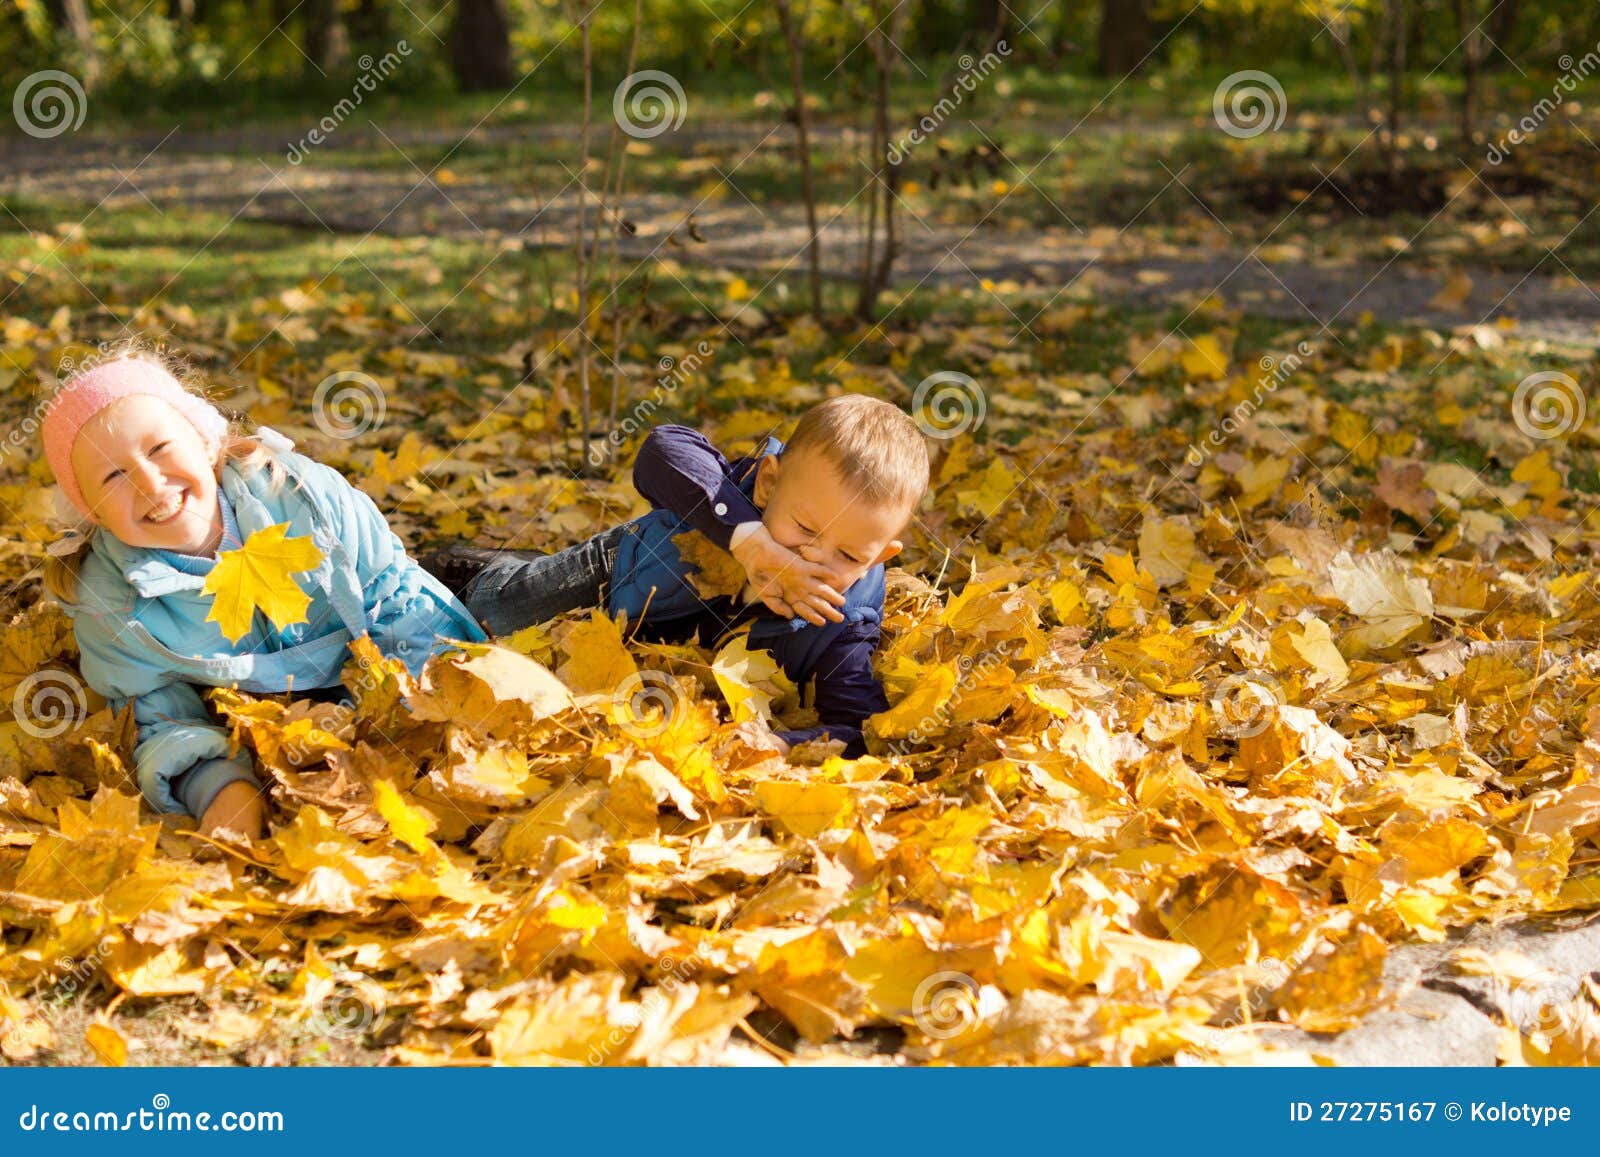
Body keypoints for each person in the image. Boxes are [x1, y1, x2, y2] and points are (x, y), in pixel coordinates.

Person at [41, 352, 484, 841]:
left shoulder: (302, 495)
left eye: (160, 447)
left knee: (514, 606)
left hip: (395, 637)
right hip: (291, 728)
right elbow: (158, 715)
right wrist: (220, 787)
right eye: (113, 476)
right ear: (94, 514)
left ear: (206, 441)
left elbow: (396, 599)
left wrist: (413, 714)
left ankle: (508, 572)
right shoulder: (113, 605)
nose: (149, 482)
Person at [427, 394, 930, 756]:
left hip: (651, 655)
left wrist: (779, 743)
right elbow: (661, 450)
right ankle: (480, 570)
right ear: (769, 484)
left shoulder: (846, 618)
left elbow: (855, 724)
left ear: (879, 557)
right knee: (497, 609)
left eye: (847, 555)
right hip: (620, 574)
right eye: (804, 529)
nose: (815, 558)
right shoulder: (740, 490)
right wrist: (751, 543)